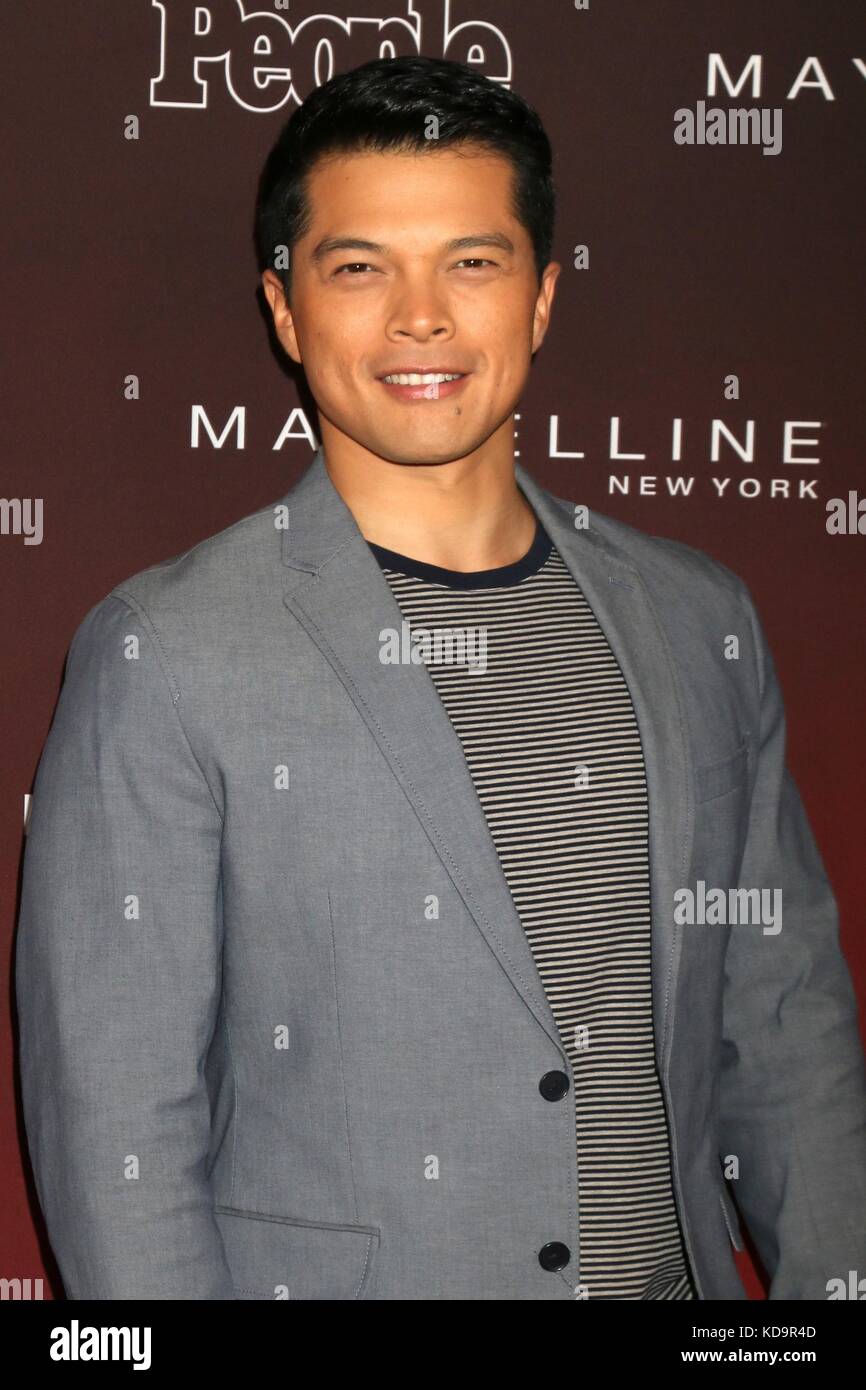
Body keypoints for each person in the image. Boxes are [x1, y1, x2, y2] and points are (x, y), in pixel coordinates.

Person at [17, 54, 866, 1301]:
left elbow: (781, 1027)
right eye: (360, 268)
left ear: (538, 299)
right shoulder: (167, 652)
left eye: (472, 263)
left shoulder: (696, 619)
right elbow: (113, 1129)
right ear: (285, 307)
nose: (421, 316)